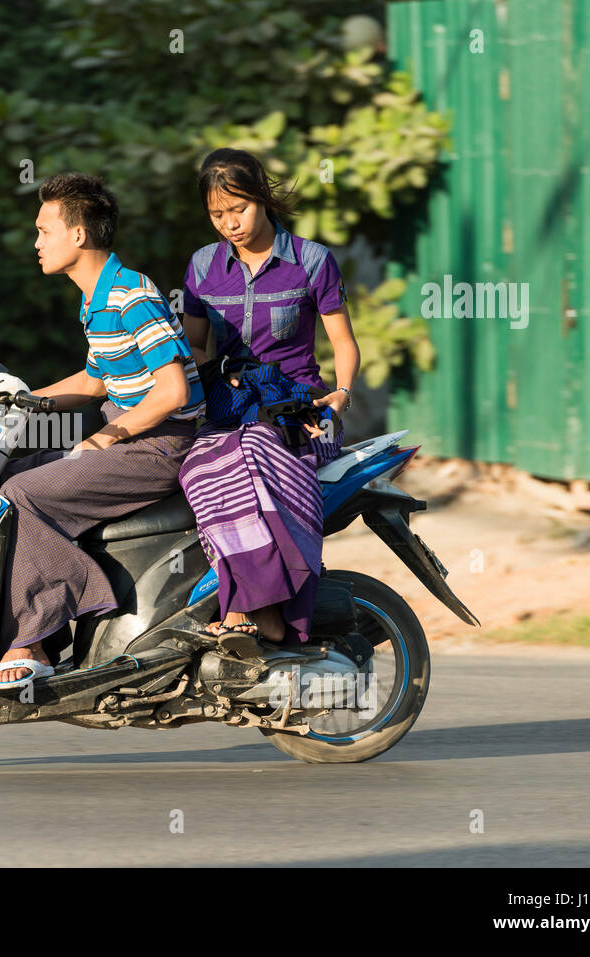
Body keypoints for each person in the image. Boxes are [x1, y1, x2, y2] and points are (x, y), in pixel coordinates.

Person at [0, 172, 206, 691]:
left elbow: (172, 391)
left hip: (157, 446)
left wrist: (109, 436)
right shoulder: (95, 298)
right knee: (3, 477)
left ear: (78, 235)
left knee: (21, 492)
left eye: (44, 230)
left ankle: (34, 642)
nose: (36, 242)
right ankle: (23, 626)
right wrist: (24, 401)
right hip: (132, 438)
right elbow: (98, 378)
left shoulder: (131, 295)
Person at [178, 149, 361, 650]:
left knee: (254, 451)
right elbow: (195, 348)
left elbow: (343, 343)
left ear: (261, 197)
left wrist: (341, 395)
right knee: (194, 467)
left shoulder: (312, 261)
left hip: (300, 409)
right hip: (231, 405)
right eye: (217, 215)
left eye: (238, 209)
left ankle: (250, 608)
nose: (229, 224)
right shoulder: (202, 266)